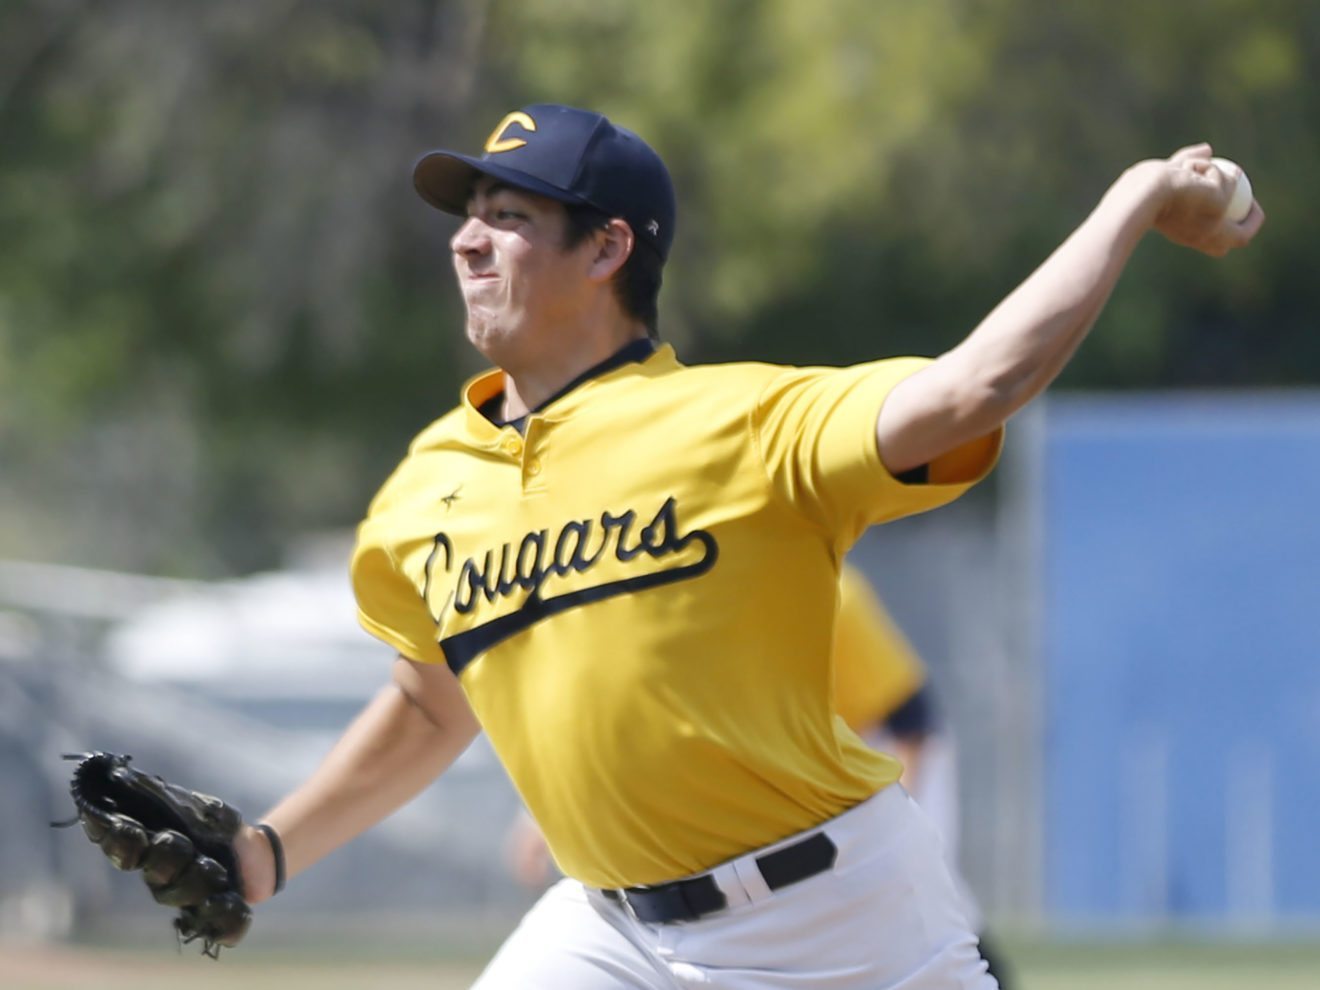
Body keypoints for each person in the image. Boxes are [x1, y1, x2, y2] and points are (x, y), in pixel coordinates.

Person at [224, 103, 1262, 988]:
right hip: (613, 929)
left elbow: (974, 387)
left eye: (510, 216)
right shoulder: (429, 485)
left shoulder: (746, 423)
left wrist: (1134, 197)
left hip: (839, 920)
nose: (467, 240)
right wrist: (266, 854)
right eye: (468, 219)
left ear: (608, 249)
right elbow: (430, 701)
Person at [500, 560, 1015, 986]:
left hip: (886, 751)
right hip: (793, 760)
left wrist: (896, 831)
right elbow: (633, 728)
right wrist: (538, 818)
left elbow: (912, 720)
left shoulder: (834, 590)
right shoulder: (671, 597)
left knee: (928, 899)